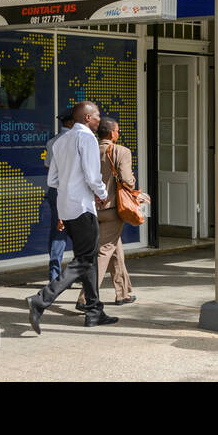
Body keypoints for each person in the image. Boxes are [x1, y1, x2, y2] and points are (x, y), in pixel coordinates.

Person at [27, 102, 118, 332]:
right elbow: (92, 175)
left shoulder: (60, 141)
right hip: (83, 207)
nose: (100, 120)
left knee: (85, 259)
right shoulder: (86, 138)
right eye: (97, 116)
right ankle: (41, 300)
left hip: (66, 206)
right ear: (87, 118)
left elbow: (52, 180)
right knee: (84, 260)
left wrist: (69, 189)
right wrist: (102, 193)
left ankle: (94, 311)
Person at [92, 117, 137, 306]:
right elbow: (127, 180)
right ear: (112, 134)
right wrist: (133, 181)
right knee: (104, 253)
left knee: (115, 250)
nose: (118, 133)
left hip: (92, 208)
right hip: (112, 209)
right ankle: (86, 298)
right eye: (117, 131)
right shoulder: (121, 151)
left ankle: (123, 292)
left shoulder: (89, 150)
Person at [43, 112, 75, 283]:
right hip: (74, 191)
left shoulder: (52, 141)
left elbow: (48, 167)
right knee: (81, 232)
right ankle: (79, 272)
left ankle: (54, 275)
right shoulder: (78, 140)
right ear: (71, 122)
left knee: (58, 230)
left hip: (56, 190)